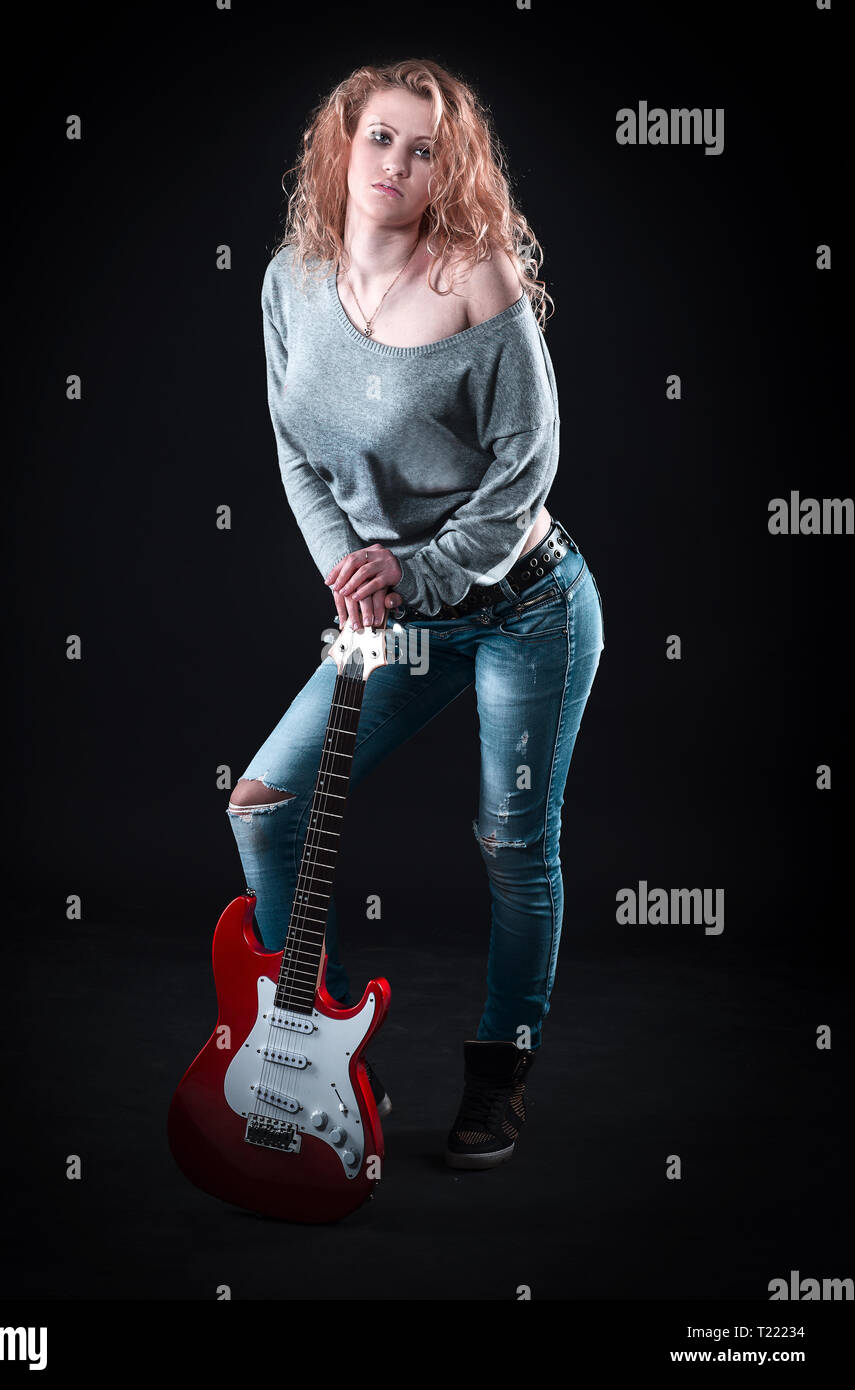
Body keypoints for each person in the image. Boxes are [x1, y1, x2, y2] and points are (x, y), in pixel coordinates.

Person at [228, 57, 604, 1171]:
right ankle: (334, 1042)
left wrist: (417, 575)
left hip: (524, 602)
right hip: (393, 606)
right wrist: (352, 569)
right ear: (340, 146)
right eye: (380, 137)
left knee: (508, 840)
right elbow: (296, 451)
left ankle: (500, 1073)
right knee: (259, 804)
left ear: (450, 165)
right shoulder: (289, 282)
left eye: (424, 146)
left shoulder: (475, 280)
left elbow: (522, 474)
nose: (396, 163)